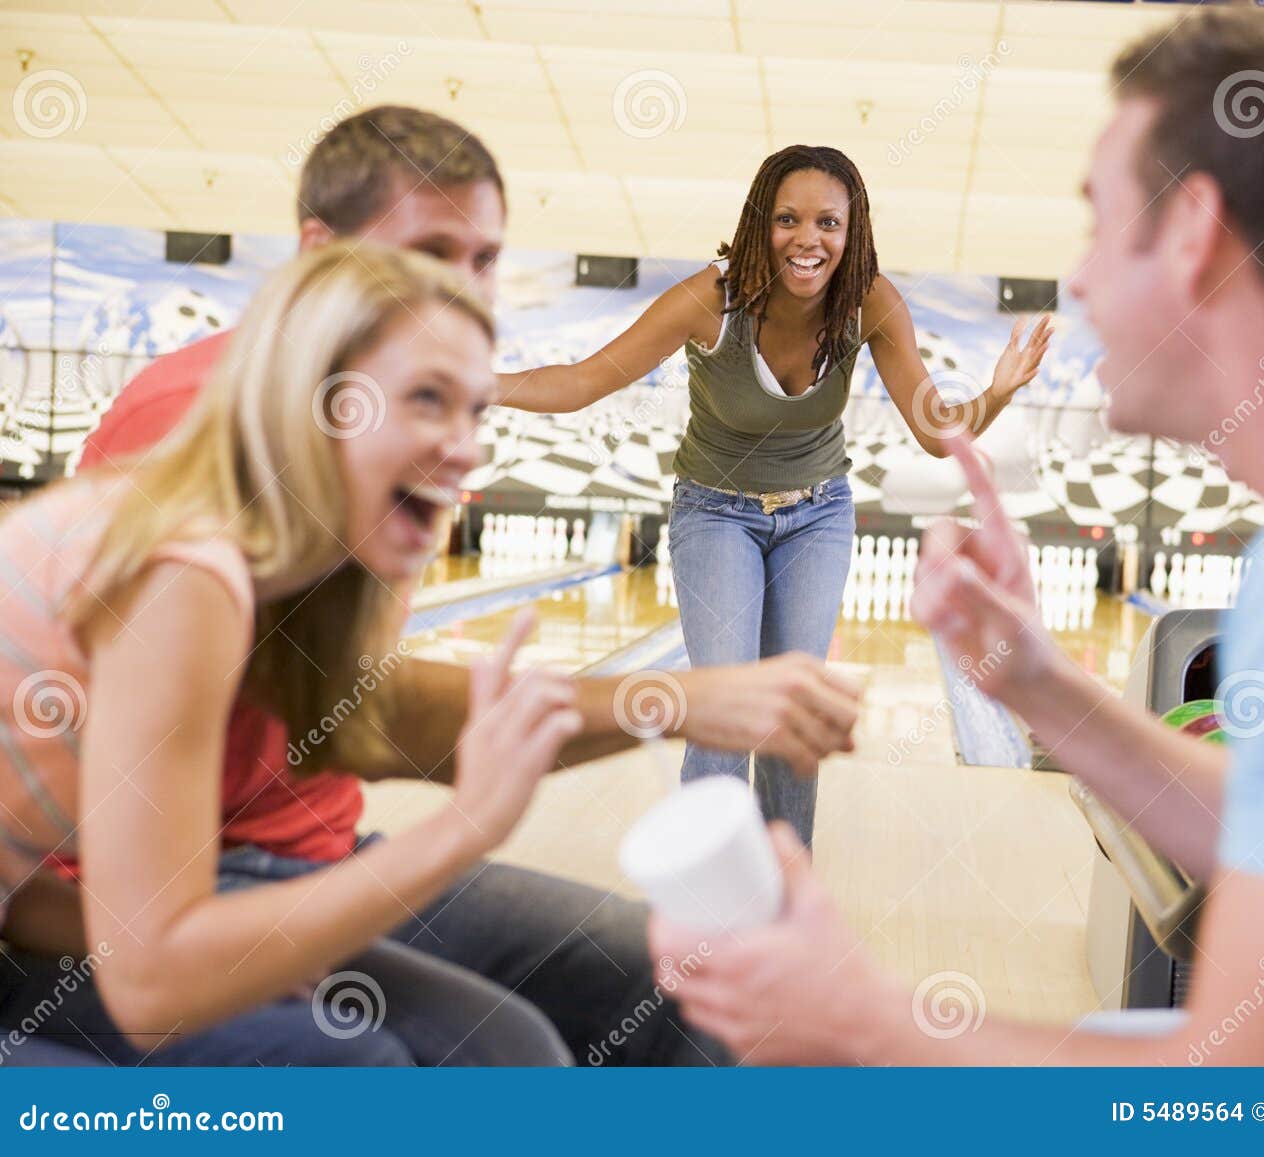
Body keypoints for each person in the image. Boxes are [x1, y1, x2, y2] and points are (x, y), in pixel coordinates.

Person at [648, 7, 1264, 1066]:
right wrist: (1040, 683)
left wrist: (865, 1021)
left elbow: (1253, 1084)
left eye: (1098, 224)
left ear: (1192, 236)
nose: (1085, 278)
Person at [2, 106, 861, 1066]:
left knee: (670, 990)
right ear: (319, 258)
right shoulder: (205, 468)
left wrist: (682, 700)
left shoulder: (359, 449)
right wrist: (465, 825)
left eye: (484, 259)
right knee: (449, 1064)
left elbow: (351, 714)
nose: (456, 288)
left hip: (286, 863)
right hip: (142, 889)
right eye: (425, 254)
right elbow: (145, 928)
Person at [0, 244, 589, 1064]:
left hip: (31, 932)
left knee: (505, 1052)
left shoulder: (250, 559)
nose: (463, 445)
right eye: (427, 399)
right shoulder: (187, 574)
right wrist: (465, 826)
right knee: (357, 1069)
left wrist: (241, 958)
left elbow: (20, 887)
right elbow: (151, 991)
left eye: (477, 411)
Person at [499, 144, 1053, 844]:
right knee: (726, 709)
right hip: (714, 512)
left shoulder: (869, 302)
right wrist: (478, 387)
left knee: (793, 710)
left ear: (852, 234)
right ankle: (706, 893)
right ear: (762, 223)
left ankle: (783, 890)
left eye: (828, 222)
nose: (808, 239)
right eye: (788, 219)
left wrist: (997, 392)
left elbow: (937, 433)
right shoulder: (711, 300)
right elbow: (582, 382)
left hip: (817, 516)